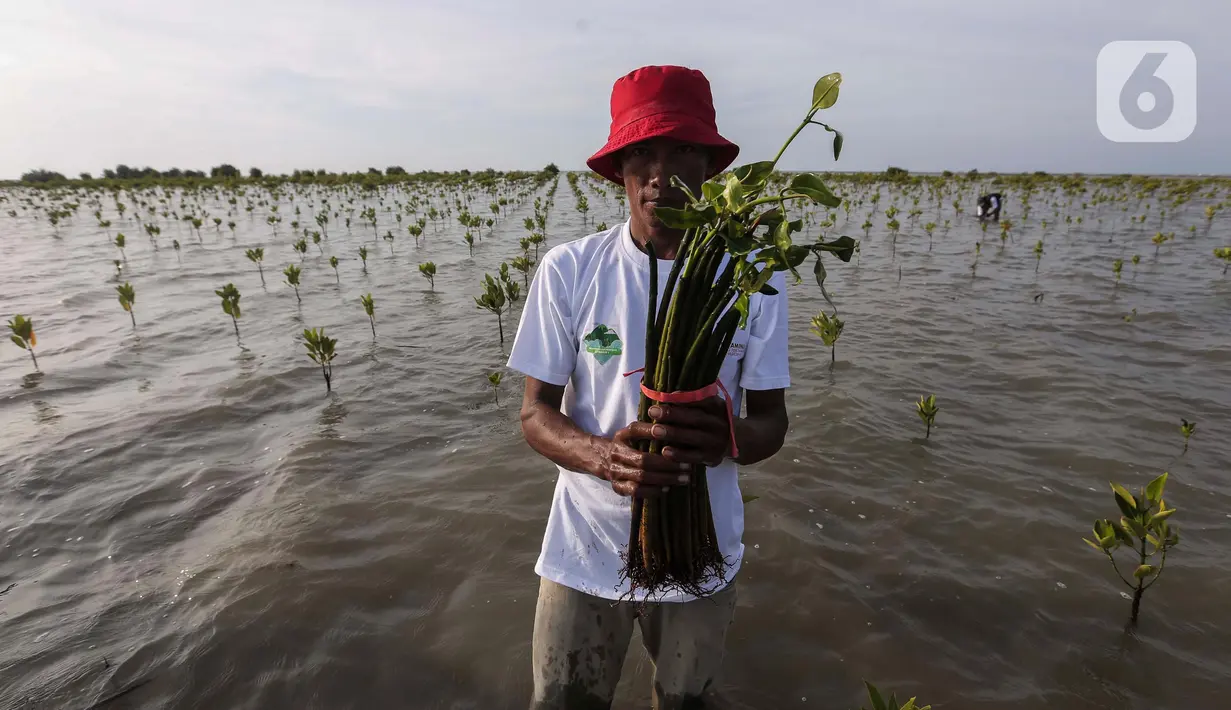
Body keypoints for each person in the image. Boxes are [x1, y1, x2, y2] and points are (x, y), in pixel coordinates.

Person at [506, 65, 791, 710]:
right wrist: (603, 456)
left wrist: (728, 438)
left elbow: (771, 423)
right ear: (620, 171)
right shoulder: (570, 269)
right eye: (642, 153)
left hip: (701, 550)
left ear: (710, 167)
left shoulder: (753, 277)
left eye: (684, 149)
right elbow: (534, 415)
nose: (662, 173)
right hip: (584, 547)